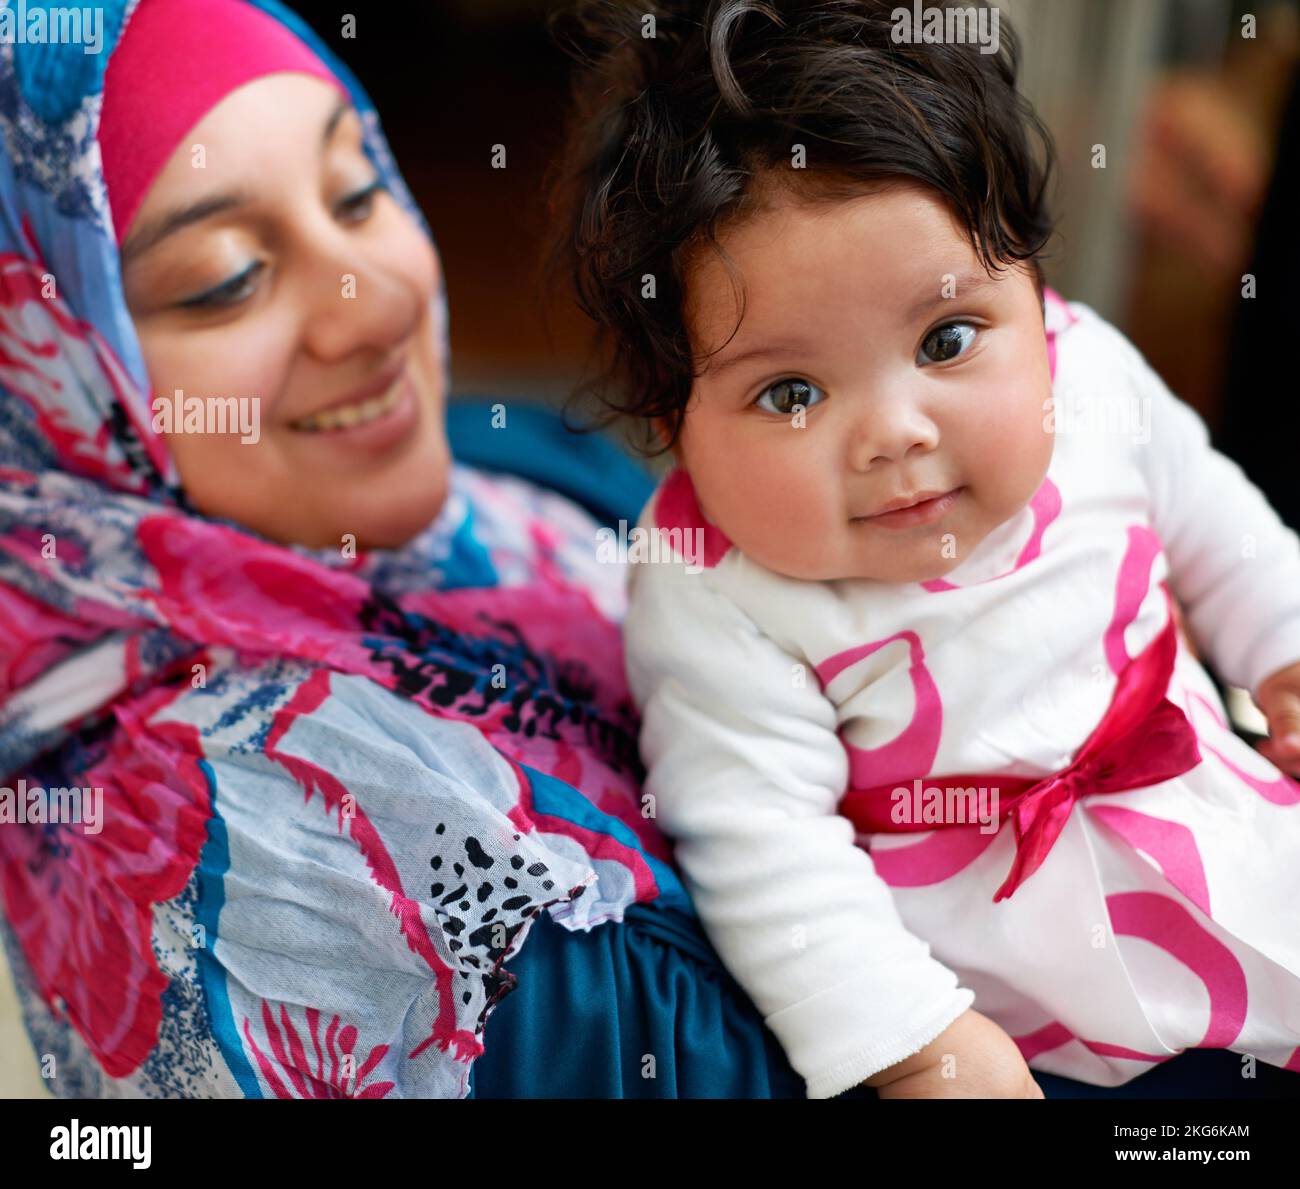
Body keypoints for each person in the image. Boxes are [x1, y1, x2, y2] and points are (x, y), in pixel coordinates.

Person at [0, 0, 804, 1098]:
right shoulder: (287, 845)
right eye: (228, 277)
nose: (371, 308)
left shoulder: (505, 465)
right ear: (51, 377)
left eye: (356, 192)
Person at [548, 0, 1300, 1099]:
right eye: (790, 391)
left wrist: (1283, 653)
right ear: (671, 424)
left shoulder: (1084, 377)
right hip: (1010, 995)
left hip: (1226, 826)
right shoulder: (716, 584)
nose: (896, 431)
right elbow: (761, 841)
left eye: (947, 338)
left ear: (1034, 293)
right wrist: (919, 1041)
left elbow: (1221, 528)